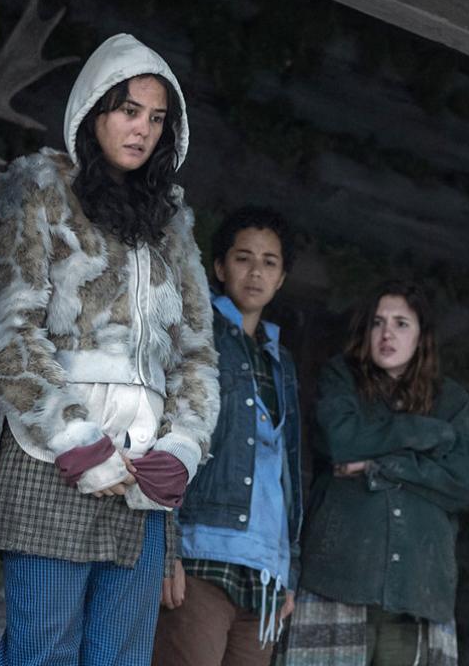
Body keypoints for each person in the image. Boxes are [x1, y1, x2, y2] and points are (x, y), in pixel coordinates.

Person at [0, 33, 219, 666]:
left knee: (119, 658)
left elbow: (196, 354)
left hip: (142, 475)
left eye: (156, 118)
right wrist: (75, 440)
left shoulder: (172, 223)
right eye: (128, 110)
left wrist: (183, 447)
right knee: (43, 654)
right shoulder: (40, 189)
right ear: (93, 109)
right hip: (51, 459)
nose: (142, 129)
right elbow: (9, 331)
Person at [281, 280, 469, 666]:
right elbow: (340, 442)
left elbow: (462, 483)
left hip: (417, 585)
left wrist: (379, 467)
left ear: (421, 336)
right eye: (377, 323)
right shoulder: (340, 378)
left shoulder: (451, 401)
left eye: (401, 323)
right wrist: (425, 434)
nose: (387, 333)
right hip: (341, 573)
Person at [153, 206, 303, 664]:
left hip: (265, 572)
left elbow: (291, 466)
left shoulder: (280, 360)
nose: (256, 272)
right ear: (219, 267)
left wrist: (289, 567)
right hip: (201, 552)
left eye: (269, 262)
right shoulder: (200, 334)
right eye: (243, 258)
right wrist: (165, 548)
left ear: (281, 278)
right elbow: (166, 433)